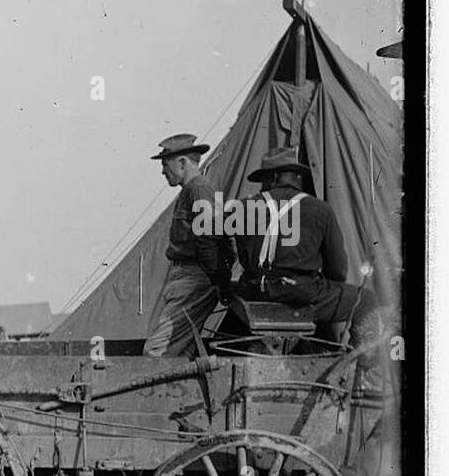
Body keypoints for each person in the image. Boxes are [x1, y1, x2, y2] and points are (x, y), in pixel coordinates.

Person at [233, 147, 384, 376]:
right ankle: (359, 366)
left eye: (264, 179)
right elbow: (338, 268)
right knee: (367, 300)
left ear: (273, 177)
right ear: (295, 177)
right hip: (301, 294)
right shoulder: (320, 209)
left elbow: (244, 257)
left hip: (256, 292)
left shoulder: (245, 206)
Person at [144, 133, 237, 357]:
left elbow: (212, 237)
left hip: (193, 279)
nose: (163, 171)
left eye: (166, 165)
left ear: (183, 162)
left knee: (156, 352)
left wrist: (218, 278)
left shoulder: (199, 189)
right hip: (189, 278)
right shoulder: (193, 190)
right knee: (180, 350)